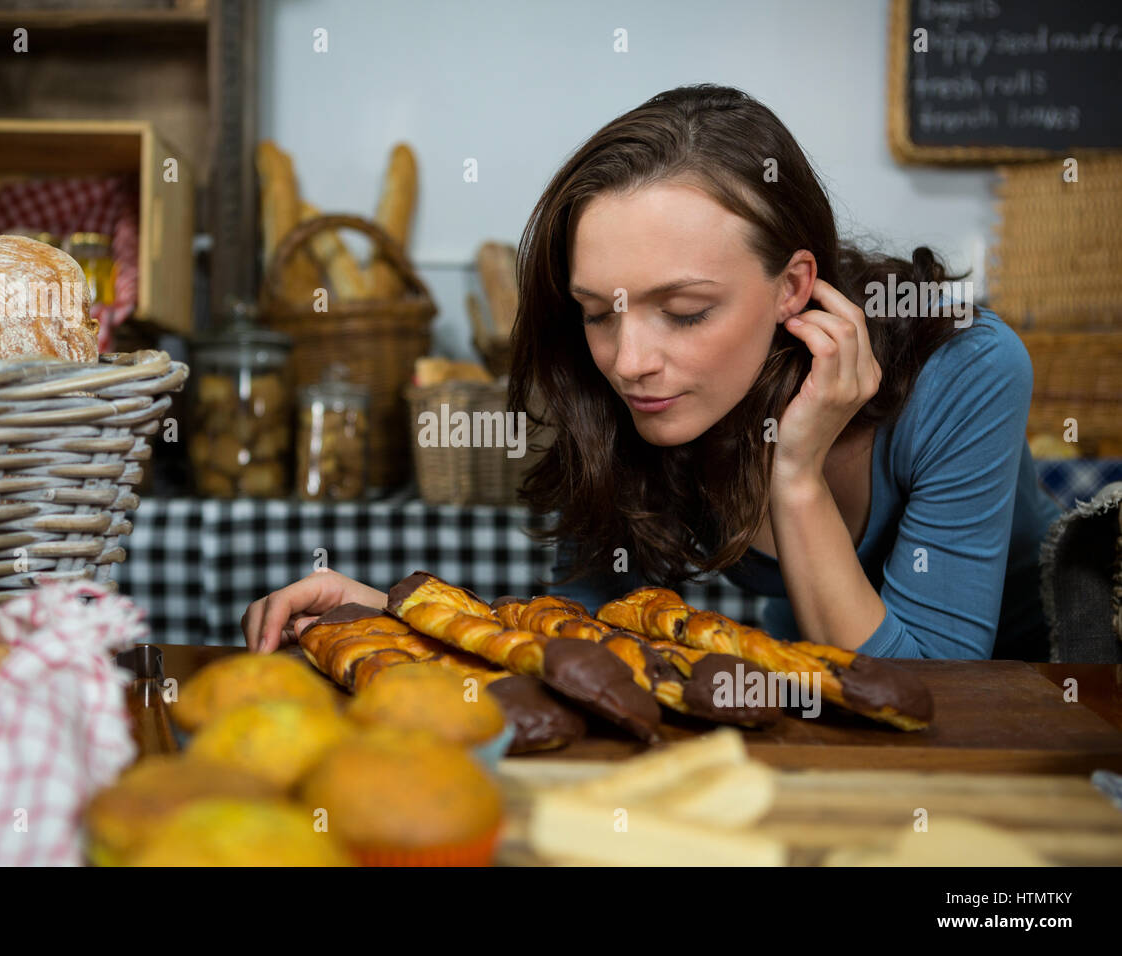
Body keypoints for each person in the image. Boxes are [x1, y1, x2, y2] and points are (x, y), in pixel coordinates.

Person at [243, 83, 1063, 661]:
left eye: (685, 311)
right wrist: (400, 616)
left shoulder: (967, 369)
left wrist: (797, 474)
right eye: (599, 312)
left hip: (1022, 713)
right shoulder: (609, 391)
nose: (629, 363)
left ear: (793, 287)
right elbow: (580, 638)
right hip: (822, 681)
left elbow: (928, 695)